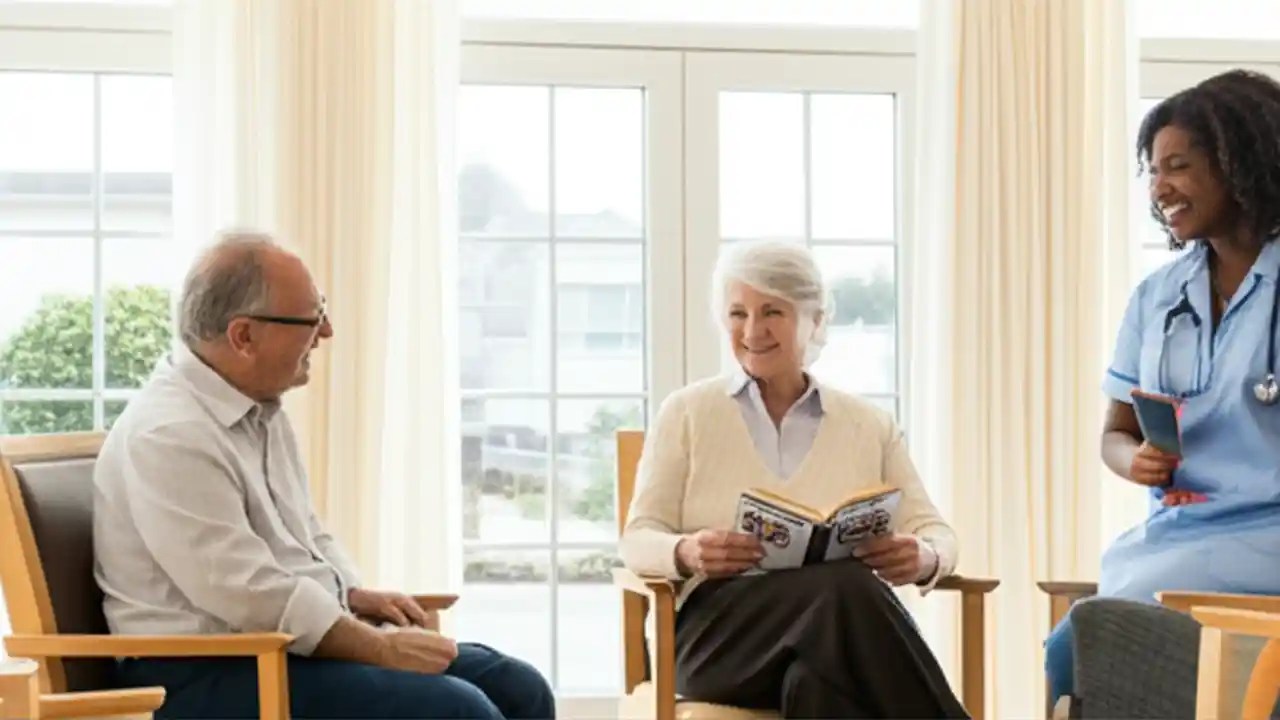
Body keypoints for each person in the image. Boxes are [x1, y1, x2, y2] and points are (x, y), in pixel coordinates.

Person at [95, 230, 554, 719]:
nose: (327, 330)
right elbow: (248, 592)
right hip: (203, 671)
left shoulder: (259, 410)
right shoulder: (170, 433)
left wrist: (351, 595)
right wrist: (380, 649)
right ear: (244, 336)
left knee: (518, 688)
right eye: (311, 317)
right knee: (457, 711)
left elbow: (306, 537)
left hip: (278, 648)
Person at [619, 240, 969, 718]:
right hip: (716, 640)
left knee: (819, 683)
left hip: (828, 633)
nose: (752, 330)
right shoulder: (687, 413)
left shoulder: (868, 425)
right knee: (845, 586)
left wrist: (926, 558)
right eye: (737, 313)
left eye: (772, 312)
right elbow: (636, 539)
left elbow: (937, 533)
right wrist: (687, 550)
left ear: (815, 321)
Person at [1044, 69, 1280, 717]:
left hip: (1267, 539)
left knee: (1098, 640)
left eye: (1177, 165)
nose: (1160, 187)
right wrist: (1136, 461)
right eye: (1152, 171)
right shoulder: (1157, 297)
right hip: (1178, 537)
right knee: (1069, 649)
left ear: (1241, 162)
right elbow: (1115, 433)